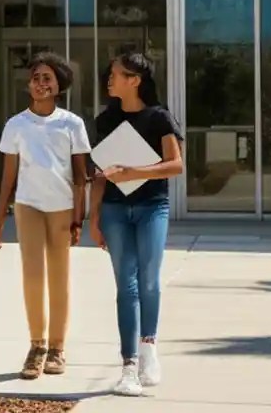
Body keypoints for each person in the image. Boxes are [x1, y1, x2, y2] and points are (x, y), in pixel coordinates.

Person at [0, 52, 90, 380]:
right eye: (35, 77)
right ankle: (37, 346)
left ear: (59, 85)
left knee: (59, 276)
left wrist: (79, 217)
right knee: (32, 276)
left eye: (47, 77)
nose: (40, 82)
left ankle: (58, 348)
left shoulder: (71, 123)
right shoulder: (16, 125)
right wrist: (0, 218)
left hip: (61, 207)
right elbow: (8, 176)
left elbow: (80, 176)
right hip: (28, 205)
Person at [89, 52, 184, 397]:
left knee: (149, 280)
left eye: (116, 74)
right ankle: (128, 365)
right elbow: (100, 172)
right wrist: (94, 216)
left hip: (152, 207)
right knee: (125, 287)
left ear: (135, 80)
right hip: (114, 209)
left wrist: (135, 172)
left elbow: (176, 165)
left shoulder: (159, 118)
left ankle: (149, 349)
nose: (109, 79)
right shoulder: (105, 120)